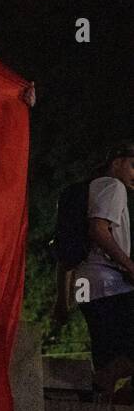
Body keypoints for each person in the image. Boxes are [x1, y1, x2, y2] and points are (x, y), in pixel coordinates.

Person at [73, 143, 134, 394]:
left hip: (88, 284)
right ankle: (104, 383)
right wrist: (129, 265)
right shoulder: (112, 185)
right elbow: (98, 229)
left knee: (108, 351)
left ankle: (104, 393)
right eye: (133, 165)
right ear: (117, 162)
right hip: (107, 283)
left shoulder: (93, 187)